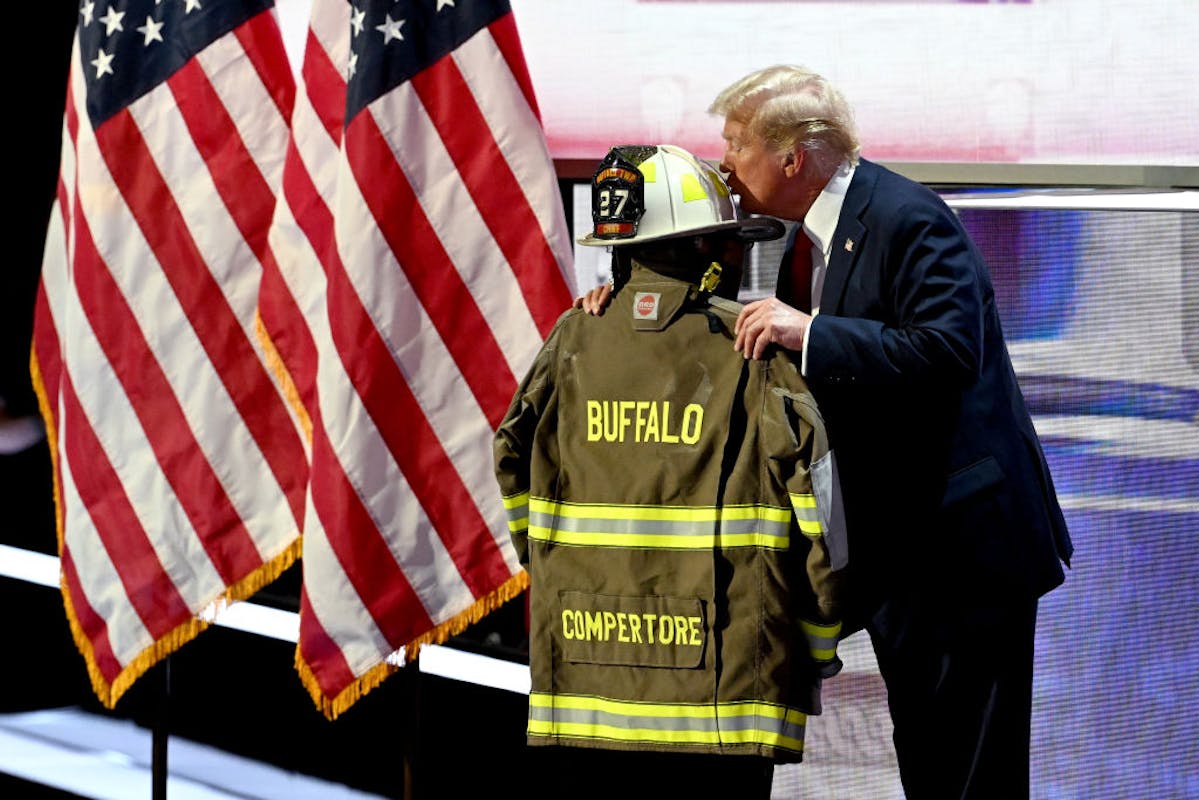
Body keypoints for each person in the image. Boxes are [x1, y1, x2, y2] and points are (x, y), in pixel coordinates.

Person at [579, 67, 1074, 800]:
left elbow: (946, 350)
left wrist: (812, 331)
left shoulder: (908, 216)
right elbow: (746, 338)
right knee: (931, 759)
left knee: (970, 771)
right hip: (899, 554)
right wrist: (625, 308)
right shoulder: (807, 231)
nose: (724, 163)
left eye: (736, 143)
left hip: (961, 554)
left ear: (792, 155)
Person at [495, 143, 849, 799]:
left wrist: (554, 563)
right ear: (699, 250)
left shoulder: (571, 340)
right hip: (725, 698)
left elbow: (511, 460)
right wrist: (819, 645)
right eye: (725, 242)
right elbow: (821, 517)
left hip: (584, 685)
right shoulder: (755, 357)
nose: (738, 257)